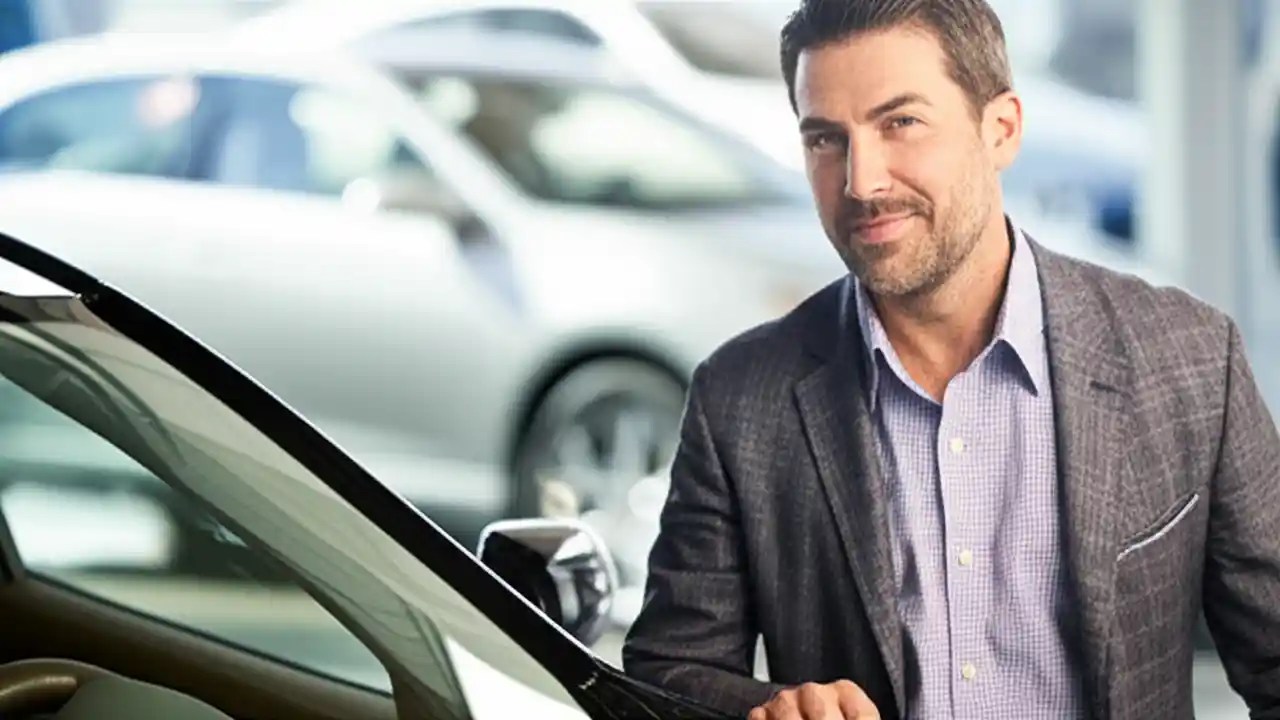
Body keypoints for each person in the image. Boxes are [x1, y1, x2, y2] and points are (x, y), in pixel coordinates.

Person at [621, 1, 1280, 719]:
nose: (862, 182)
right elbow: (667, 671)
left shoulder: (1186, 359)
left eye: (900, 122)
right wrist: (771, 709)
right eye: (826, 140)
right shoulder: (742, 399)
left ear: (1000, 129)